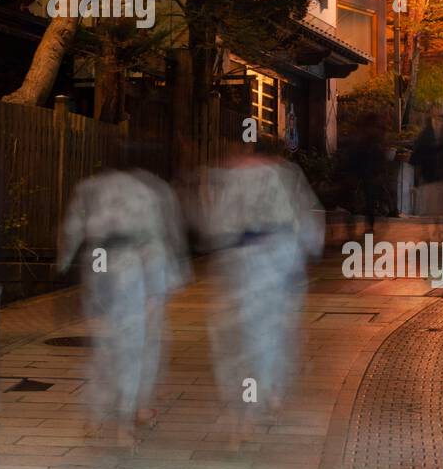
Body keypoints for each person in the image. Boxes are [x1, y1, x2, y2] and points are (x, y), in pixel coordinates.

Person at [186, 138, 324, 449]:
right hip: (280, 258)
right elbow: (308, 220)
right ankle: (263, 398)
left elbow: (213, 226)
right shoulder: (285, 174)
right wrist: (309, 250)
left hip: (240, 262)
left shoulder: (235, 176)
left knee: (242, 341)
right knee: (271, 336)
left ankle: (247, 410)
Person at [58, 160, 187, 448]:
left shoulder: (90, 188)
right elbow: (159, 238)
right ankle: (125, 422)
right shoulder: (148, 190)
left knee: (103, 346)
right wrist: (161, 286)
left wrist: (63, 265)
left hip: (99, 263)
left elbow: (71, 230)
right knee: (133, 348)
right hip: (132, 268)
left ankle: (95, 414)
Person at [410, 109, 443, 240]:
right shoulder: (425, 135)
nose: (439, 120)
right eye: (436, 117)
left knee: (442, 206)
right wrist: (418, 176)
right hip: (429, 174)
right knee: (430, 206)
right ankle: (430, 232)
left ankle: (442, 230)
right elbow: (418, 153)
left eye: (440, 118)